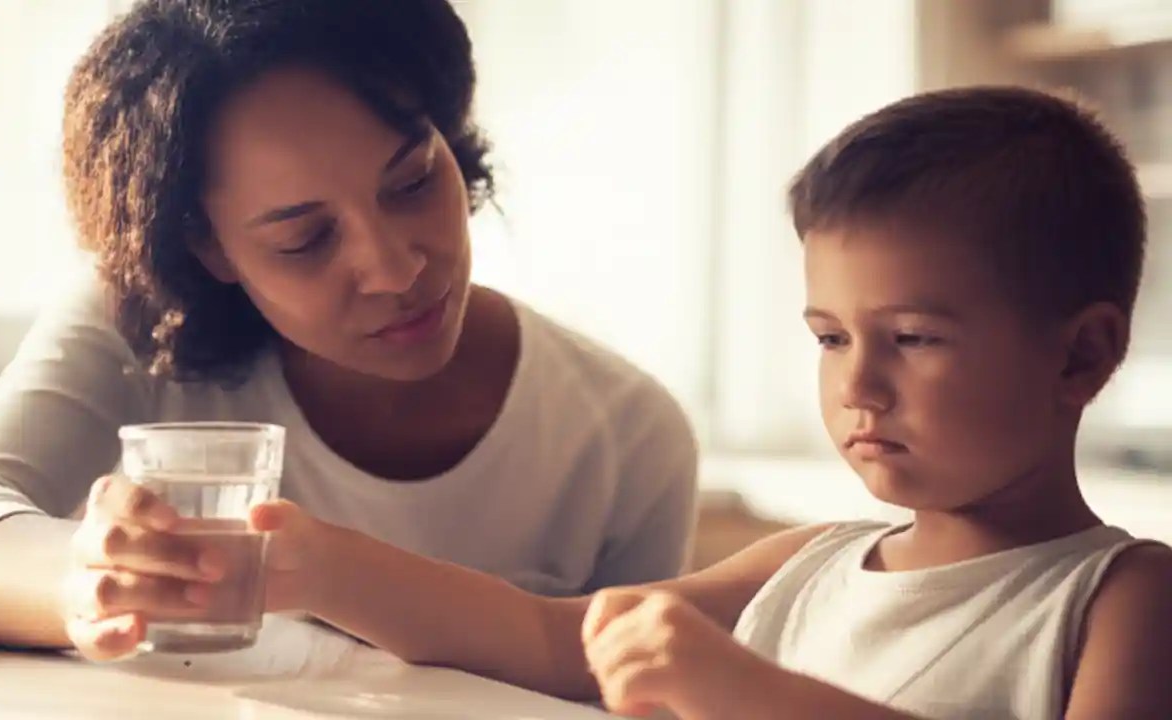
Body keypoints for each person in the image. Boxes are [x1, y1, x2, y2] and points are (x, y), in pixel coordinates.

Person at [239, 86, 1172, 719]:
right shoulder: (809, 563)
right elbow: (550, 637)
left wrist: (744, 694)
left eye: (915, 339)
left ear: (1081, 357)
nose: (856, 385)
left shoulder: (1122, 600)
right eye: (831, 338)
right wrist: (323, 568)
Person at [0, 0, 697, 660]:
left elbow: (628, 692)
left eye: (414, 181)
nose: (394, 267)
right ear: (207, 246)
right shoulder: (140, 334)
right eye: (304, 239)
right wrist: (85, 576)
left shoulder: (623, 440)